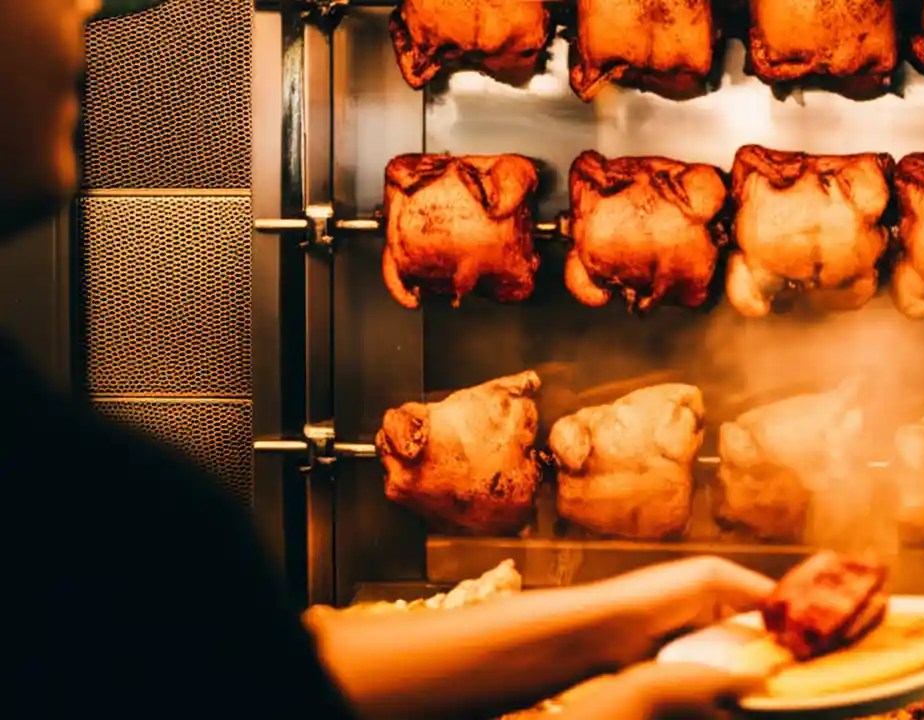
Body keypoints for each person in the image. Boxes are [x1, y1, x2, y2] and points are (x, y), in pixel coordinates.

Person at [0, 2, 774, 718]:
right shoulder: (85, 501)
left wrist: (663, 601)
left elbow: (268, 672)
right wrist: (629, 704)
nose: (85, 6)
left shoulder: (59, 484)